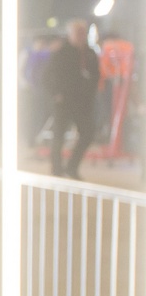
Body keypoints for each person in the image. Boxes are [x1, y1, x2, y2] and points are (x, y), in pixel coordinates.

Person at [43, 18, 100, 179]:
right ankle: (56, 169)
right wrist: (56, 94)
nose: (81, 36)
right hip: (64, 102)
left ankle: (72, 167)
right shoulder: (61, 53)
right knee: (59, 135)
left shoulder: (90, 53)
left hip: (83, 103)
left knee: (88, 133)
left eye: (83, 32)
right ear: (70, 34)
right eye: (77, 33)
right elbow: (46, 77)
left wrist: (91, 92)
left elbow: (96, 75)